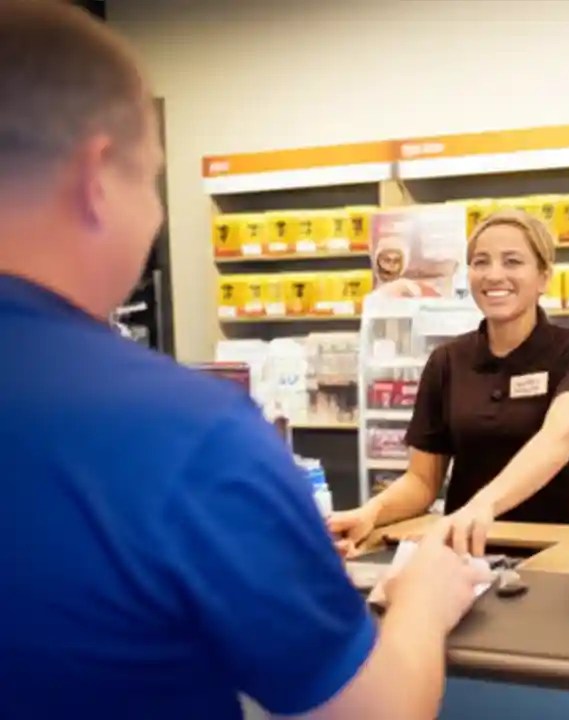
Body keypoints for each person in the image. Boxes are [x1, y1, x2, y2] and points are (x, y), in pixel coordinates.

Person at [0, 4, 488, 719]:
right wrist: (423, 599)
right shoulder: (178, 432)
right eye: (151, 181)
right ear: (97, 175)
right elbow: (372, 710)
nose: (158, 215)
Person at [329, 209, 569, 558]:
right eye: (481, 262)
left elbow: (561, 436)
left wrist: (483, 505)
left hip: (556, 551)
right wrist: (371, 512)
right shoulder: (448, 361)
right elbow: (422, 481)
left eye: (512, 262)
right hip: (465, 552)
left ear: (543, 277)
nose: (494, 275)